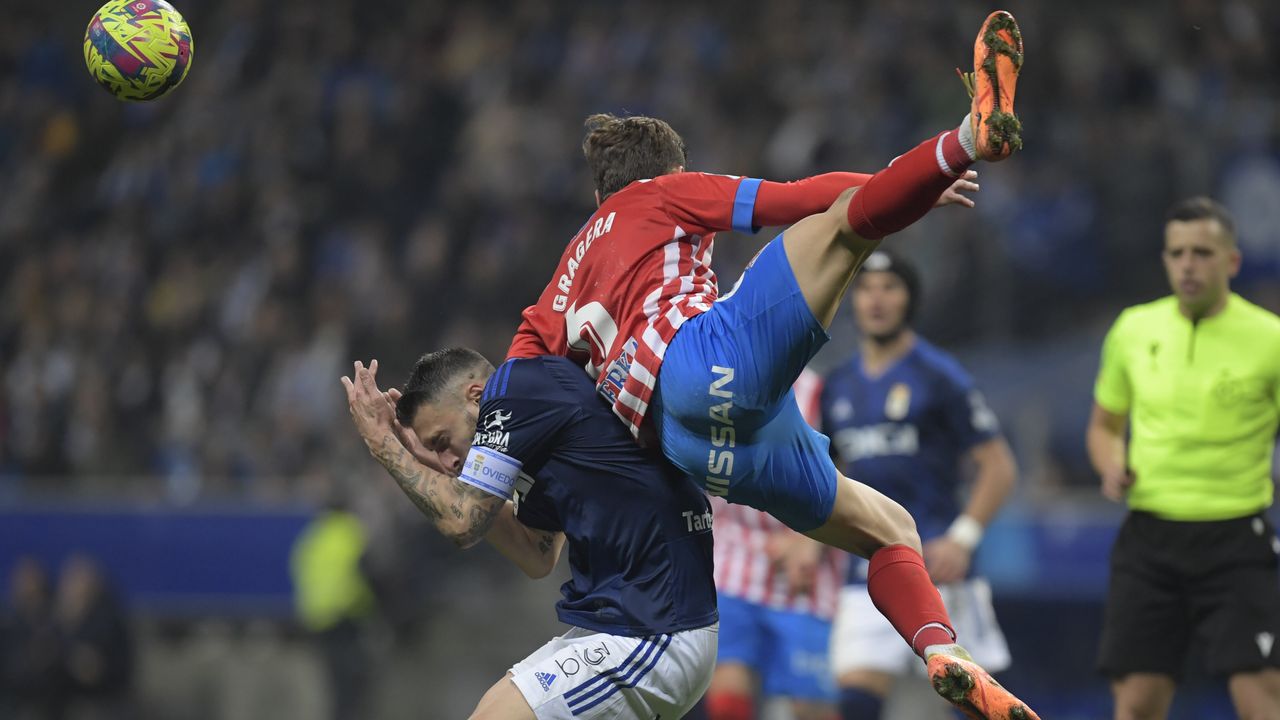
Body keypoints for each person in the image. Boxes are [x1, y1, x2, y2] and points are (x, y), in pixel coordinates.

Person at [493, 11, 1035, 720]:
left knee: (890, 527)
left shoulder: (559, 280)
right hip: (702, 363)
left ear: (597, 192)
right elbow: (801, 199)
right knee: (842, 225)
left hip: (694, 450)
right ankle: (970, 136)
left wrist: (475, 466)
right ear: (669, 173)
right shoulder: (662, 194)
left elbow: (513, 387)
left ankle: (943, 652)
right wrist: (918, 181)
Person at [341, 349, 718, 720]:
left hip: (658, 629)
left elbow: (463, 522)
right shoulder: (537, 435)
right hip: (624, 626)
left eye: (442, 441)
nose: (447, 461)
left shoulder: (516, 388)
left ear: (475, 396)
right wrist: (443, 474)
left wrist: (384, 444)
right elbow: (536, 554)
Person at [1086, 197, 1280, 720]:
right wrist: (1109, 463)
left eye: (1202, 252)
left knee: (1262, 697)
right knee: (1136, 704)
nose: (1188, 265)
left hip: (1237, 537)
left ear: (1231, 262)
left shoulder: (1271, 340)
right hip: (1150, 539)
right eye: (1177, 253)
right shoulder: (1132, 329)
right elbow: (1105, 426)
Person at [819, 250, 1017, 719]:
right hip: (868, 566)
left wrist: (963, 539)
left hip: (938, 565)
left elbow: (999, 466)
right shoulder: (838, 386)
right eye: (866, 289)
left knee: (971, 698)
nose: (877, 300)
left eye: (890, 288)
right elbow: (831, 477)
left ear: (910, 298)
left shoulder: (939, 374)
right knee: (855, 696)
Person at [704, 368, 846, 720]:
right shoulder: (705, 380)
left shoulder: (816, 390)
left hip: (803, 565)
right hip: (732, 556)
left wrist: (811, 540)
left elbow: (845, 470)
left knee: (810, 706)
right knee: (726, 700)